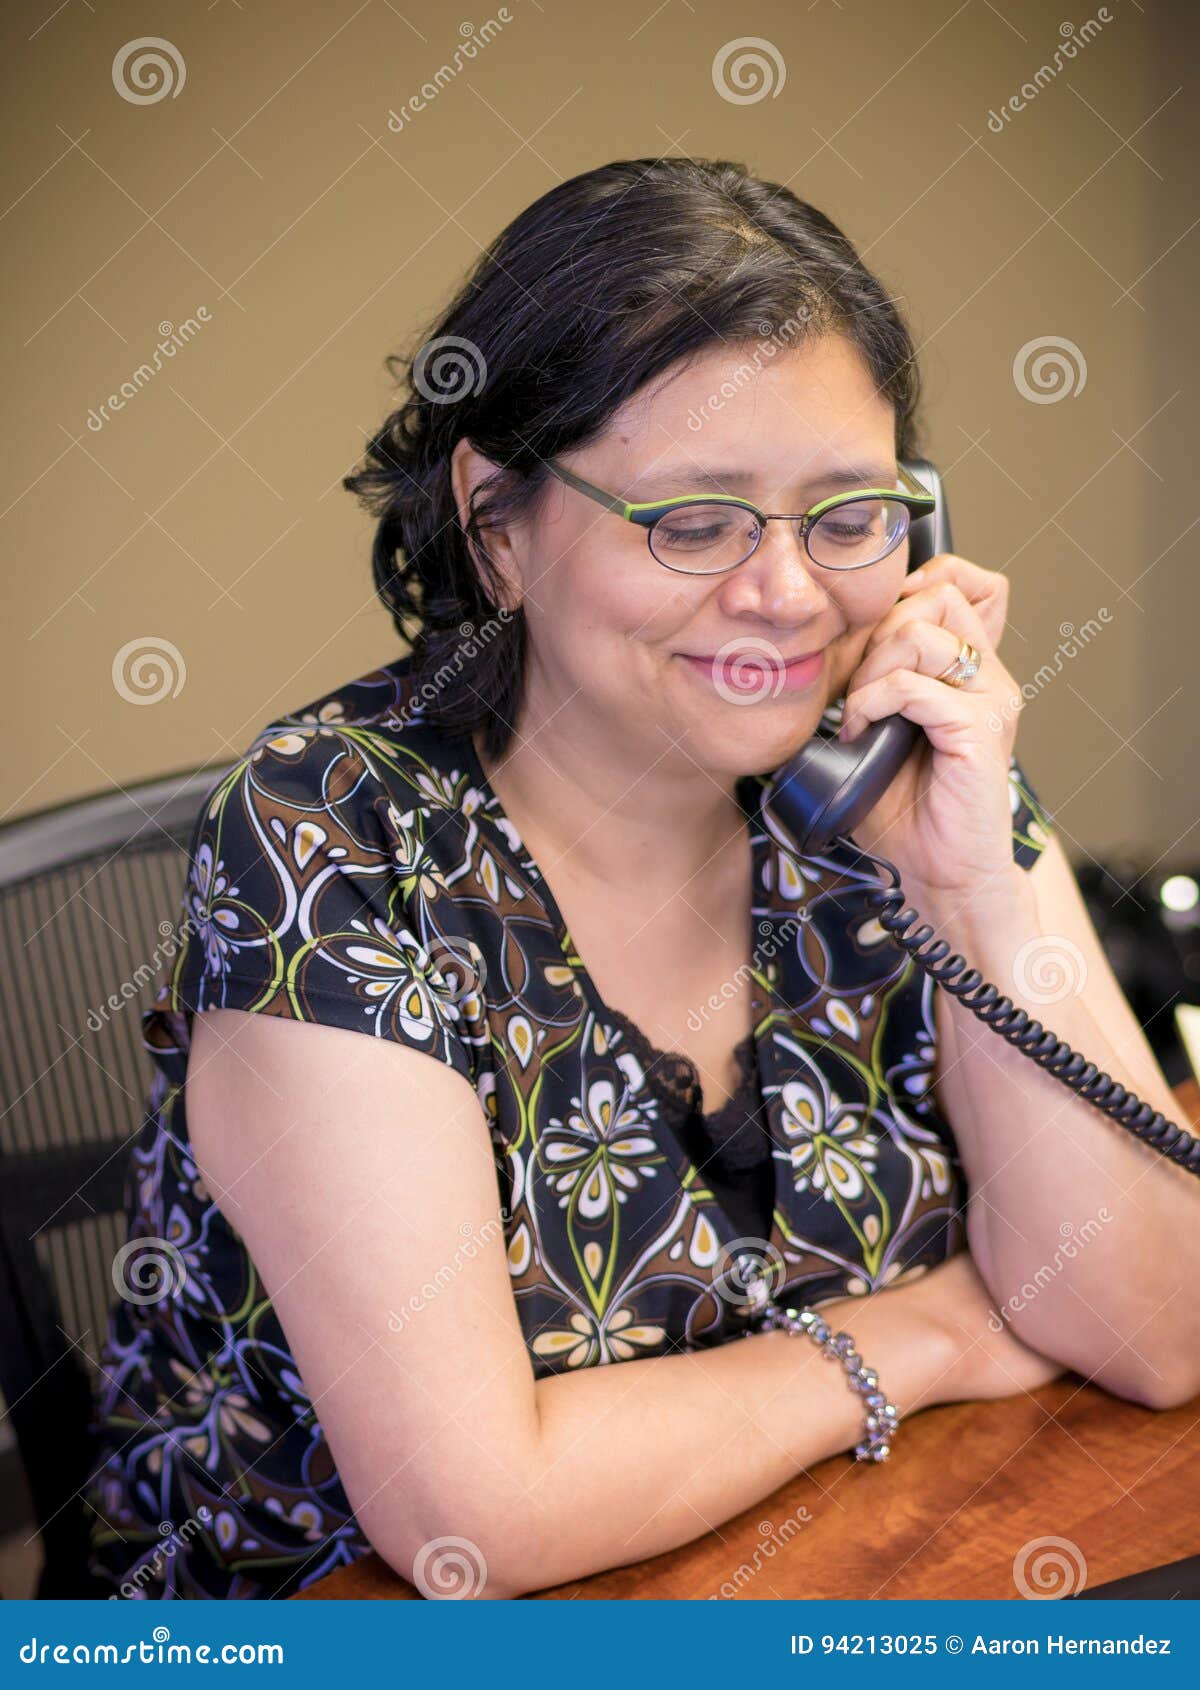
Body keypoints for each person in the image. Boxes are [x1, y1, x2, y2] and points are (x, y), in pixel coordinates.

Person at [85, 156, 1200, 1602]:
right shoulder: (333, 835)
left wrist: (975, 883)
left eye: (848, 513)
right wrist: (925, 1337)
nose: (790, 594)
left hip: (829, 1571)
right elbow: (473, 1519)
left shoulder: (889, 758)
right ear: (498, 521)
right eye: (694, 519)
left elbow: (1158, 1331)